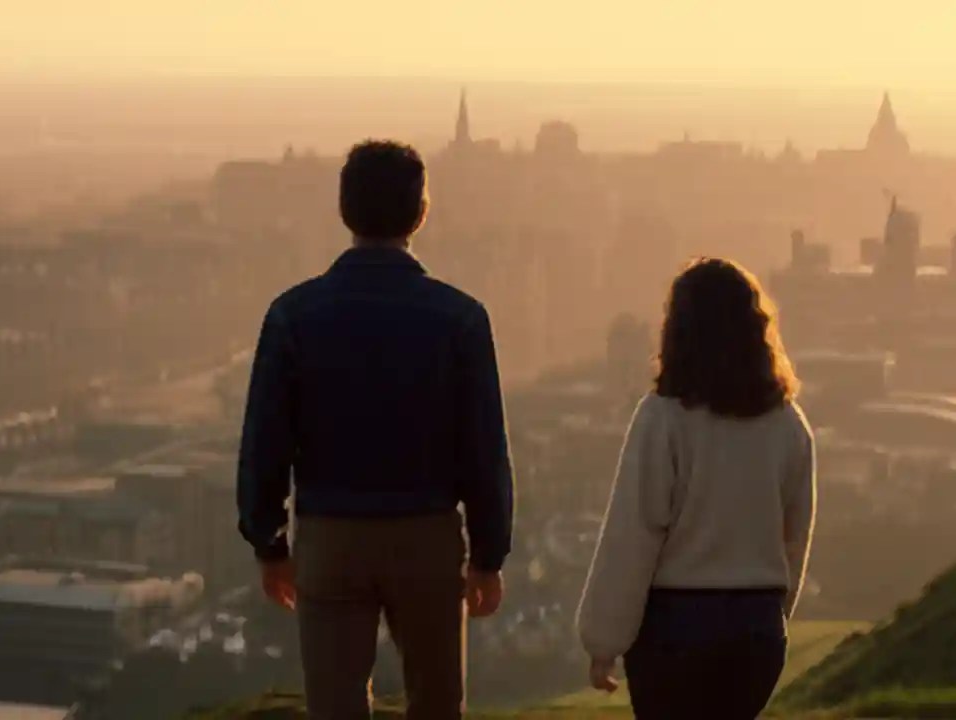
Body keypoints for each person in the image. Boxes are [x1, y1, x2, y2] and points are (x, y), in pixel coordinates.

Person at [237, 140, 515, 720]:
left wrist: (269, 543)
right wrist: (489, 554)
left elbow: (264, 441)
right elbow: (484, 450)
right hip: (428, 536)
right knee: (437, 705)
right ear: (421, 212)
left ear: (345, 210)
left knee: (335, 707)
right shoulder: (461, 319)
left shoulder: (293, 314)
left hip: (329, 536)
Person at [576, 257, 816, 719]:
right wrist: (773, 614)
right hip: (755, 630)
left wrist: (603, 640)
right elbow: (795, 538)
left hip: (675, 630)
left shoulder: (662, 419)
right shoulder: (789, 425)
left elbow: (633, 536)